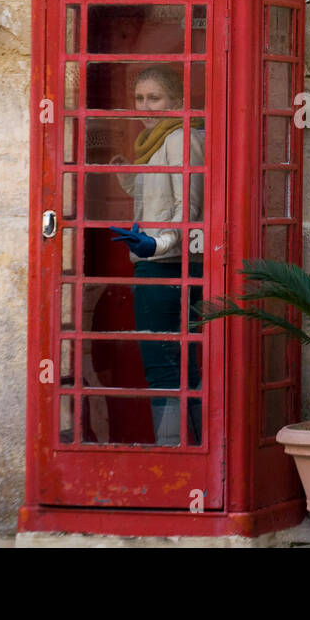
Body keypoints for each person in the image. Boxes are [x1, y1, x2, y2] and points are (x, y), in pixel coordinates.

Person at [109, 65, 205, 446]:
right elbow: (155, 193)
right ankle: (184, 452)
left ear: (178, 101)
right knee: (173, 370)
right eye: (139, 98)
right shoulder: (154, 140)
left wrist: (156, 244)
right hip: (158, 267)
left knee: (167, 371)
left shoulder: (182, 138)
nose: (145, 106)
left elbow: (189, 208)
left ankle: (177, 456)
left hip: (170, 267)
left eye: (155, 98)